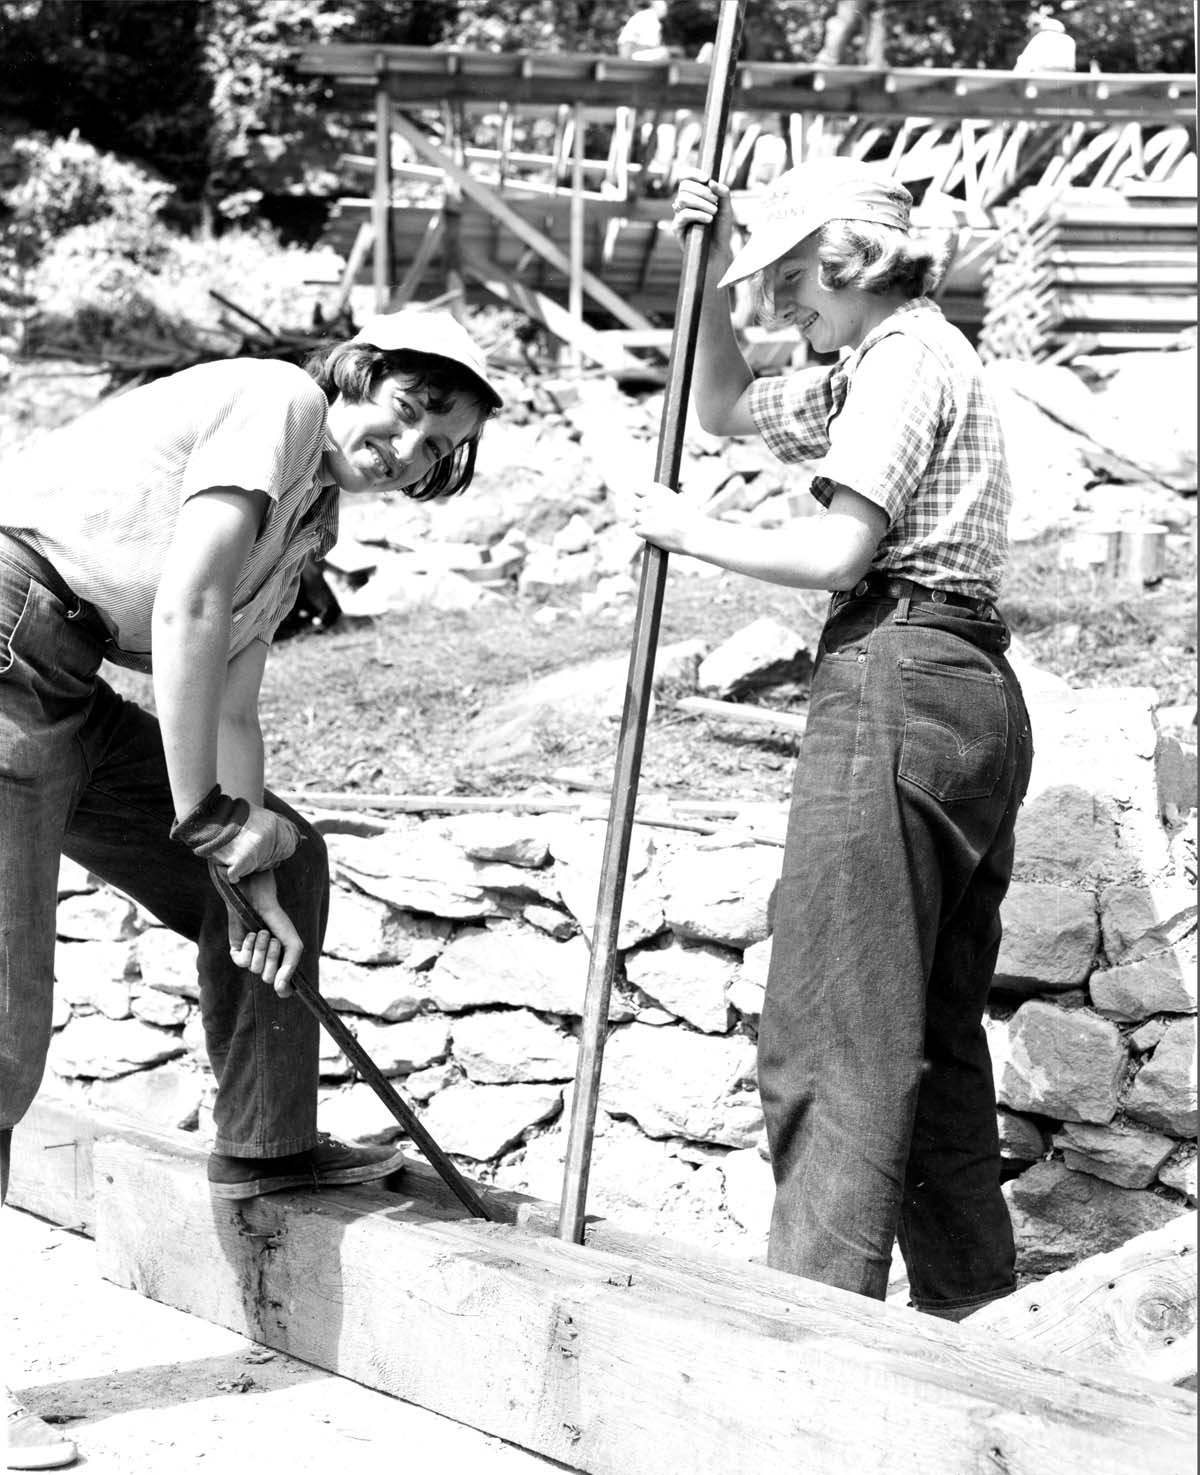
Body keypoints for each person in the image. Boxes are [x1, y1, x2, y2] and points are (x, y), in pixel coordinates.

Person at [0, 308, 502, 1469]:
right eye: (412, 407)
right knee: (6, 1033)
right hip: (10, 640)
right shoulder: (282, 402)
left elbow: (231, 705)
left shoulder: (306, 521)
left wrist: (243, 868)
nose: (410, 445)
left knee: (292, 854)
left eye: (438, 446)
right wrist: (210, 823)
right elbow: (183, 608)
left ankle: (268, 1147)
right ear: (365, 372)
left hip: (62, 686)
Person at [633, 160, 1033, 1319]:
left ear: (852, 260)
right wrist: (703, 277)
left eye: (791, 277)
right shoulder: (873, 364)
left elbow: (836, 553)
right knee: (928, 1040)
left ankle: (808, 1337)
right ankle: (975, 1318)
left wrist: (688, 530)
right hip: (961, 688)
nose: (778, 306)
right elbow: (715, 408)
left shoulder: (904, 360)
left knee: (828, 1031)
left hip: (901, 671)